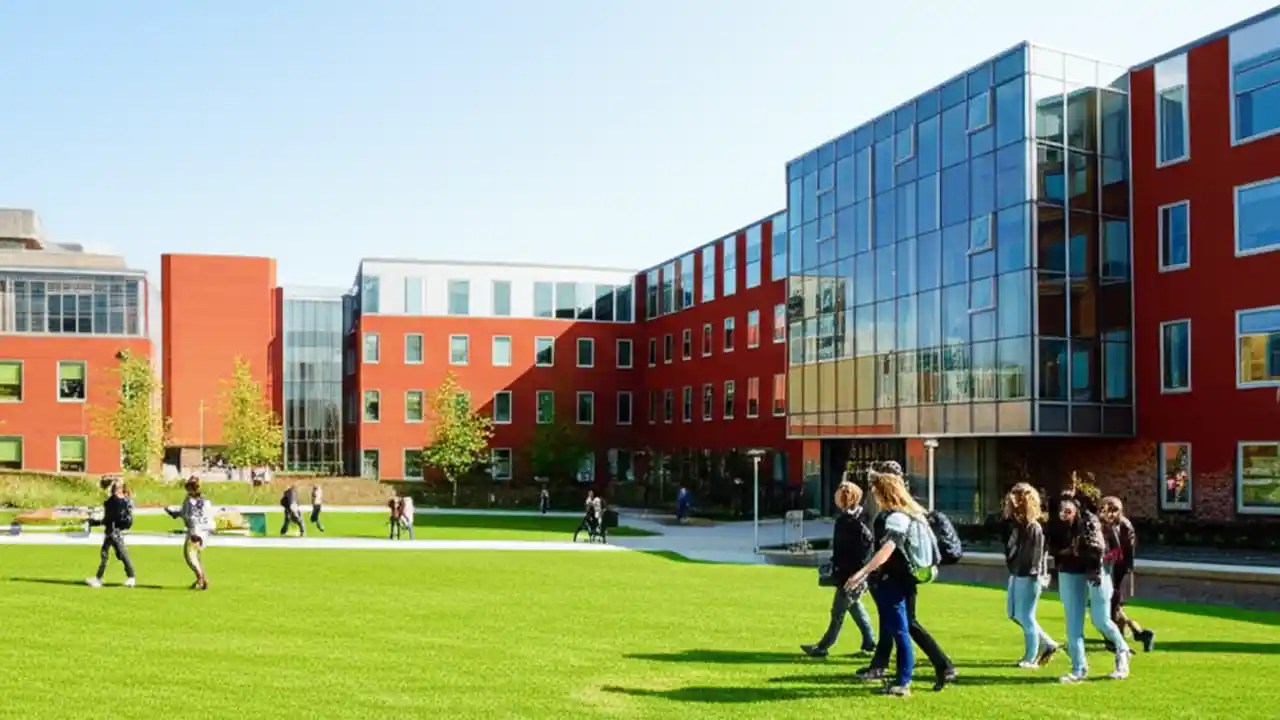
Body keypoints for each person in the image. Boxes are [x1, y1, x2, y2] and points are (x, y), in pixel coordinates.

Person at [853, 461, 956, 693]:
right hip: (904, 578)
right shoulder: (912, 513)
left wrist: (863, 572)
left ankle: (904, 681)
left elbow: (888, 548)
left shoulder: (895, 517)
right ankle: (939, 667)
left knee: (901, 630)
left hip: (894, 580)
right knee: (905, 626)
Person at [1049, 493, 1131, 683]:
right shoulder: (1056, 526)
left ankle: (1122, 650)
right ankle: (1078, 668)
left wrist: (1097, 571)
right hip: (1069, 570)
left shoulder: (1091, 523)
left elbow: (1100, 550)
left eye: (1067, 510)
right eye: (1061, 510)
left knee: (1100, 620)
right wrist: (1065, 553)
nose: (1063, 514)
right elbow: (1052, 547)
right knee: (1073, 623)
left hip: (1095, 571)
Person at [802, 481, 876, 658]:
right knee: (855, 607)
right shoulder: (858, 518)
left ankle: (823, 647)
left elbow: (849, 550)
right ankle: (869, 643)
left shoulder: (848, 522)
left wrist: (849, 571)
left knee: (838, 612)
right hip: (855, 572)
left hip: (851, 574)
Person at [1003, 483, 1059, 668]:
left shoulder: (1033, 527)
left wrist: (1035, 576)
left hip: (1028, 576)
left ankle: (1030, 657)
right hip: (1017, 573)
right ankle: (1048, 644)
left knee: (1026, 617)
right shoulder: (1018, 526)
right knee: (1013, 614)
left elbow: (1035, 557)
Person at [1100, 497, 1156, 652]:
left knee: (1113, 609)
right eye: (1105, 510)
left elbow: (1121, 552)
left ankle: (1120, 640)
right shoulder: (1113, 525)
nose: (1109, 514)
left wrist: (1105, 558)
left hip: (1120, 572)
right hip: (1118, 571)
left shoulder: (1122, 526)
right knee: (1116, 609)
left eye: (1113, 510)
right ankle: (1137, 634)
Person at [86, 478, 136, 588]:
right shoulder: (124, 500)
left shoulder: (113, 501)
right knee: (110, 554)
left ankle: (131, 577)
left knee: (120, 554)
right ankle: (99, 578)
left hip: (112, 532)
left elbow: (107, 519)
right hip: (114, 531)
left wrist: (94, 522)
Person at [165, 476, 213, 590]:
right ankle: (202, 578)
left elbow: (185, 514)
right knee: (197, 556)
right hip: (205, 531)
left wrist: (173, 513)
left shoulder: (189, 500)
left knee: (190, 556)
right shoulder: (205, 500)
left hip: (194, 530)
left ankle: (200, 578)